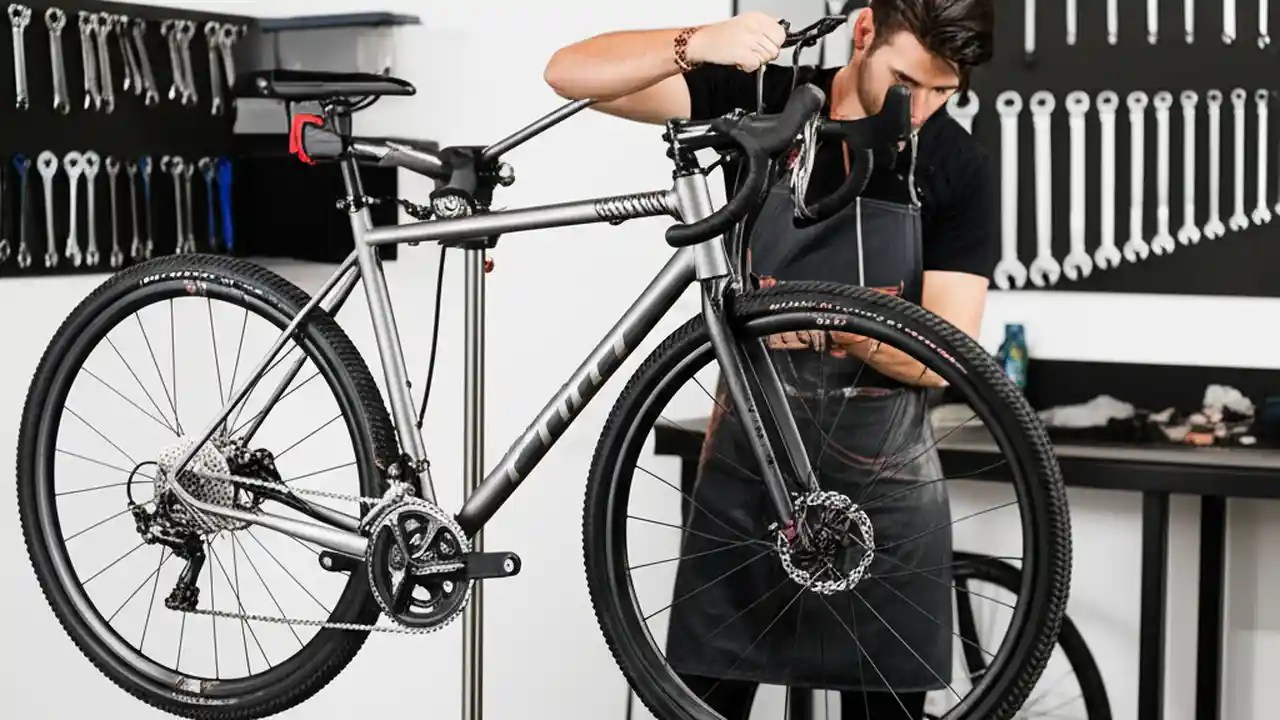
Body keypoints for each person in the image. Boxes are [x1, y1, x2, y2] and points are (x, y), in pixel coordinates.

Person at [547, 2, 998, 718]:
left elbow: (944, 355)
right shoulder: (763, 103)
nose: (925, 109)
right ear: (863, 33)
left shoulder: (954, 164)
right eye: (911, 82)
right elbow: (570, 74)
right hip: (747, 480)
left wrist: (828, 323)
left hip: (882, 497)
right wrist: (699, 44)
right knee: (702, 704)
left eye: (946, 91)